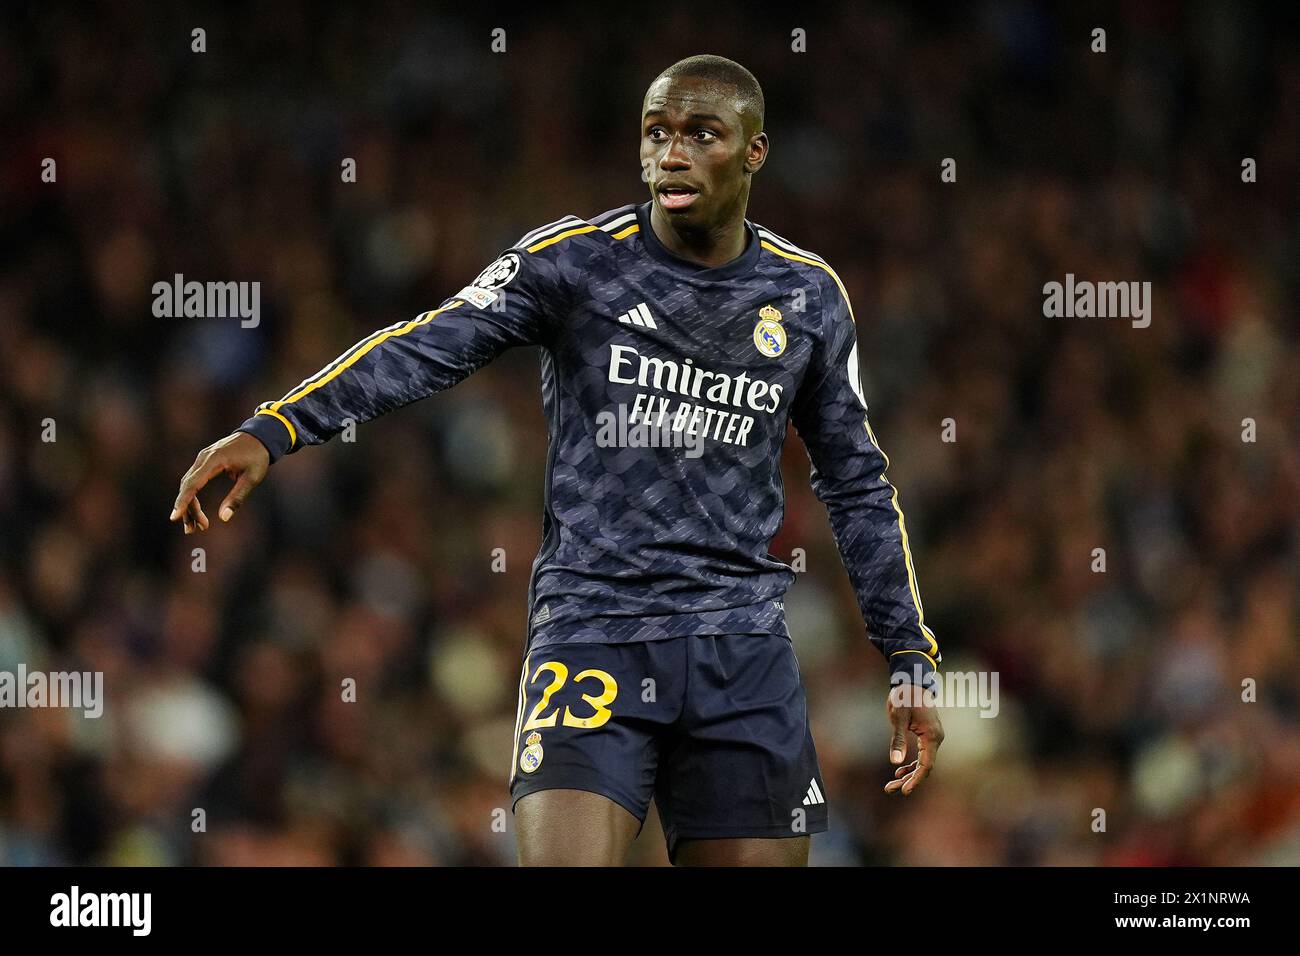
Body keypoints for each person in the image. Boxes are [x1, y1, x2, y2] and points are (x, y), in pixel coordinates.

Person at [170, 54, 944, 867]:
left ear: (754, 152)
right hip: (592, 635)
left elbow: (856, 483)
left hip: (740, 650)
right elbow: (429, 345)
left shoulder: (807, 296)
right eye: (656, 134)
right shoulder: (575, 263)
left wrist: (908, 654)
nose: (670, 155)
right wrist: (279, 426)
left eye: (701, 134)